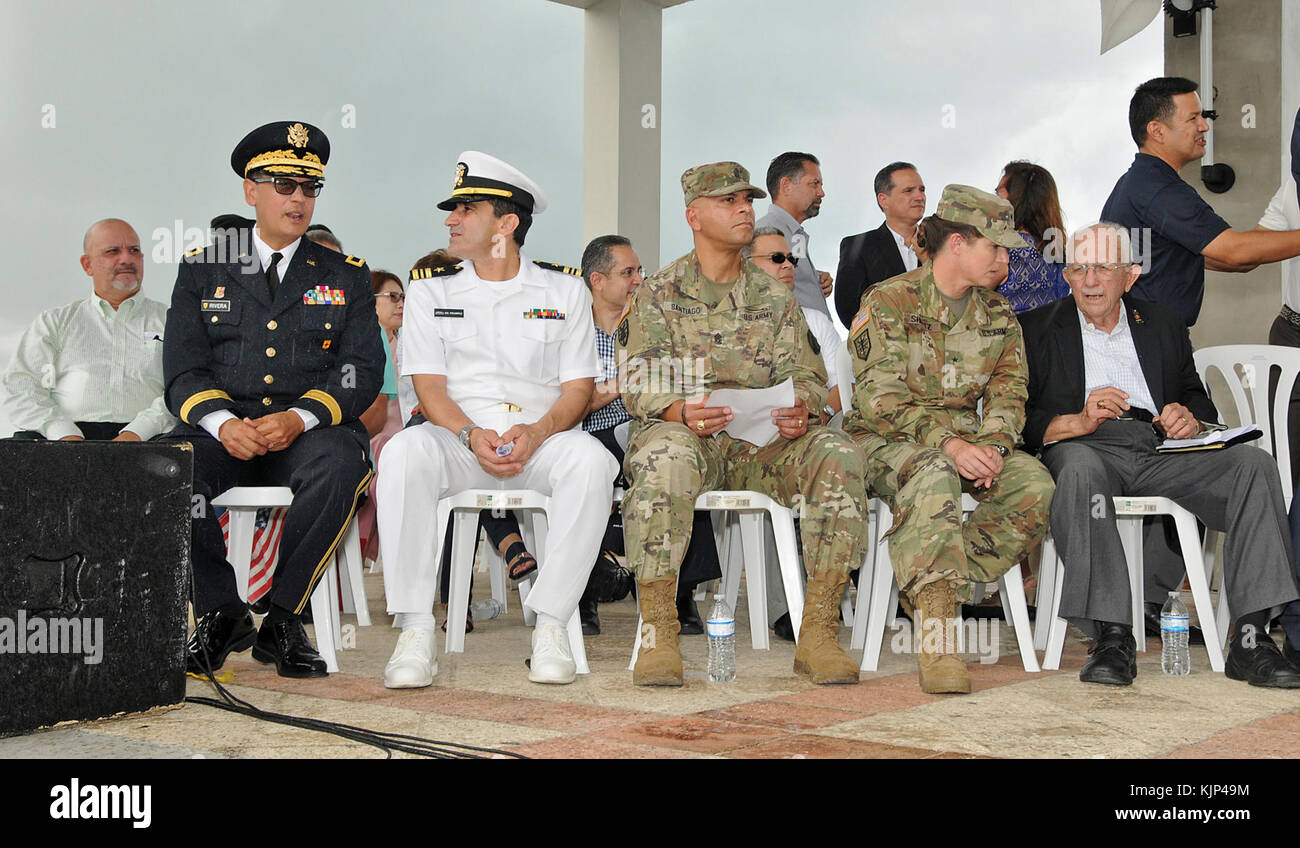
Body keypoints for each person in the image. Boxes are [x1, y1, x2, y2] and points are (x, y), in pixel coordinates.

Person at [620, 161, 868, 687]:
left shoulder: (775, 294)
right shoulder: (658, 294)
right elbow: (638, 383)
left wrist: (803, 407)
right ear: (693, 215)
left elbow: (806, 373)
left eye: (747, 201)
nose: (742, 210)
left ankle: (819, 631)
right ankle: (660, 631)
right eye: (727, 201)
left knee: (838, 454)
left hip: (764, 446)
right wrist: (678, 411)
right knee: (664, 453)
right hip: (693, 440)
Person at [1020, 222, 1300, 688]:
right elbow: (1018, 417)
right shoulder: (1035, 329)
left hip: (1161, 450)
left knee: (1253, 465)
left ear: (1130, 276)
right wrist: (1078, 421)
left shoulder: (1164, 322)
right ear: (1066, 275)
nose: (1089, 281)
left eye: (1103, 269)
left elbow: (1198, 398)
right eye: (1078, 268)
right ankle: (1112, 635)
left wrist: (1188, 416)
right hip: (1085, 446)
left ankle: (1251, 638)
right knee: (1081, 472)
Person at [376, 151, 617, 688]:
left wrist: (537, 432)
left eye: (465, 208)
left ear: (506, 224)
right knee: (402, 453)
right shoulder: (431, 290)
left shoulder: (563, 291)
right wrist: (469, 433)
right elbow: (429, 388)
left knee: (593, 462)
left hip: (539, 441)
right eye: (452, 209)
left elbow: (579, 387)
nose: (450, 220)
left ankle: (552, 622)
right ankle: (416, 628)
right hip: (458, 439)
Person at [162, 120, 385, 679]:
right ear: (250, 190)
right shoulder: (202, 267)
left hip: (305, 434)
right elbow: (182, 370)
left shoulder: (346, 275)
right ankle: (221, 610)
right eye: (285, 185)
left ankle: (284, 617)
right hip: (224, 434)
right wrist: (219, 422)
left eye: (310, 188)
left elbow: (362, 370)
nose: (299, 198)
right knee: (164, 468)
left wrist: (299, 415)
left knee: (342, 465)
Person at [845, 185, 1054, 695]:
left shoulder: (999, 315)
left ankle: (935, 582)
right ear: (957, 243)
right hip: (884, 441)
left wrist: (995, 449)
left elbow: (1010, 396)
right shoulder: (889, 300)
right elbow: (880, 400)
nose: (1005, 260)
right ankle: (939, 636)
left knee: (1035, 483)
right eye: (995, 247)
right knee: (934, 472)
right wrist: (951, 446)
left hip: (967, 444)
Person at [577, 234, 720, 636]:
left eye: (640, 270)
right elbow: (575, 401)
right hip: (592, 433)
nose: (639, 280)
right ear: (597, 280)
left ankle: (681, 593)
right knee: (587, 467)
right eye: (628, 272)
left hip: (649, 428)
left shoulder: (656, 330)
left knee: (683, 451)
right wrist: (626, 383)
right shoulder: (574, 333)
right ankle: (585, 591)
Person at [1101, 76, 1300, 327]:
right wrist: (1239, 253)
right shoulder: (1160, 191)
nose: (1204, 126)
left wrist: (1244, 252)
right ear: (1157, 131)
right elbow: (1236, 252)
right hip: (1148, 342)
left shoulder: (1135, 181)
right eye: (1192, 118)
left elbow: (1236, 259)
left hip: (1146, 336)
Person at [743, 226, 845, 641]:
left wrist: (812, 413)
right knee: (769, 465)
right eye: (776, 259)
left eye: (792, 260)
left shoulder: (816, 321)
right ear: (745, 265)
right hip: (750, 437)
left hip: (812, 426)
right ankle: (787, 605)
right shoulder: (731, 319)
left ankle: (824, 599)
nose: (789, 267)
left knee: (835, 455)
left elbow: (842, 389)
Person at [3, 218, 173, 442]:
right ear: (87, 265)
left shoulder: (172, 321)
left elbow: (182, 386)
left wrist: (138, 432)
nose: (127, 259)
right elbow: (21, 384)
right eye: (113, 251)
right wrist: (63, 433)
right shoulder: (54, 322)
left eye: (134, 251)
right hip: (64, 438)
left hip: (151, 439)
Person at [835, 162, 927, 329]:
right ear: (884, 200)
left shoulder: (941, 245)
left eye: (922, 190)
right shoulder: (858, 247)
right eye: (908, 191)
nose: (919, 197)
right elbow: (849, 310)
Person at [755, 152, 834, 318]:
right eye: (814, 184)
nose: (821, 193)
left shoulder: (793, 233)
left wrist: (813, 277)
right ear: (786, 186)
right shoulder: (765, 233)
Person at [994, 161, 1070, 313]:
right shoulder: (1059, 257)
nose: (992, 201)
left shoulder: (998, 251)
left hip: (1006, 335)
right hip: (1050, 335)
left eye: (998, 194)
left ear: (1016, 199)